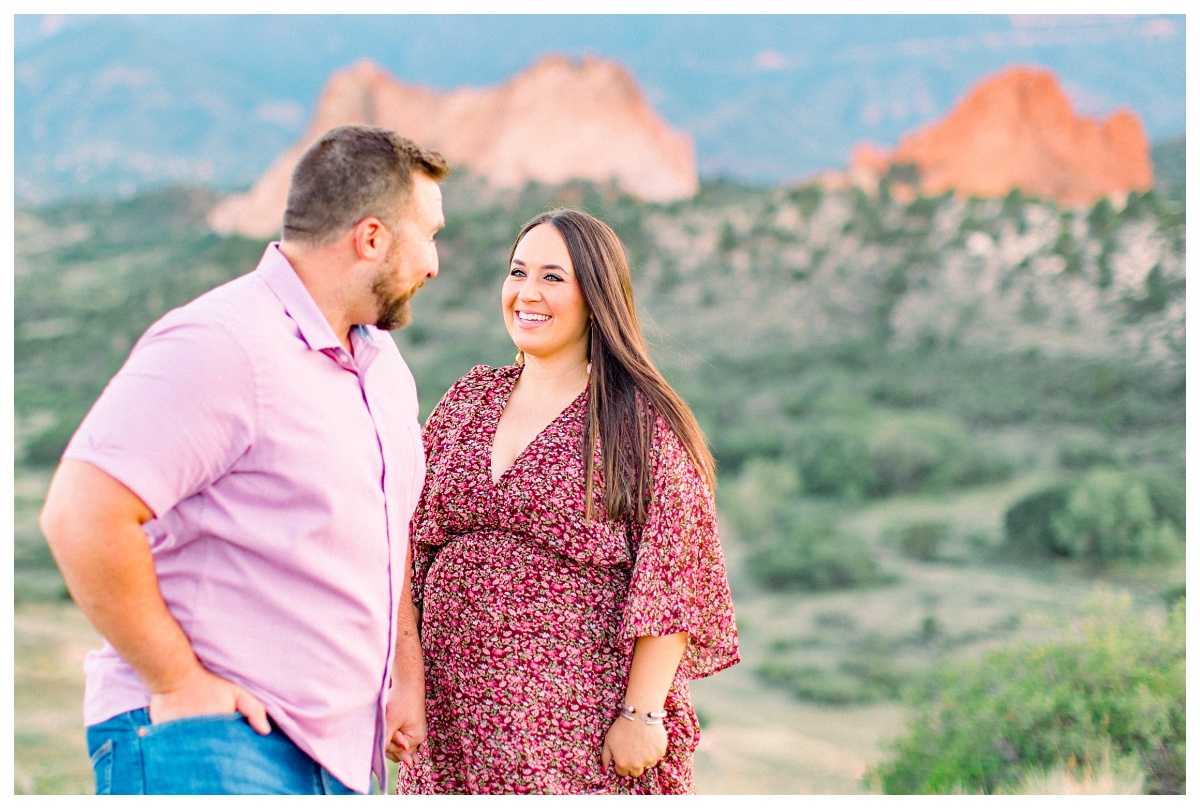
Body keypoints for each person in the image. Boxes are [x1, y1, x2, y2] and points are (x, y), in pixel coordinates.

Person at [38, 125, 448, 795]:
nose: (434, 263)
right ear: (371, 239)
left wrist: (404, 672)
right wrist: (178, 681)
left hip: (333, 758)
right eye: (428, 235)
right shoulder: (224, 341)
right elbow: (81, 512)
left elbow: (385, 532)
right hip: (210, 743)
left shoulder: (383, 368)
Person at [396, 208, 739, 795]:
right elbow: (401, 539)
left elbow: (674, 573)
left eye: (553, 277)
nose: (527, 293)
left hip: (576, 730)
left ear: (597, 296)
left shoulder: (639, 423)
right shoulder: (468, 399)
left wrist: (643, 713)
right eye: (517, 272)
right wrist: (403, 674)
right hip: (451, 725)